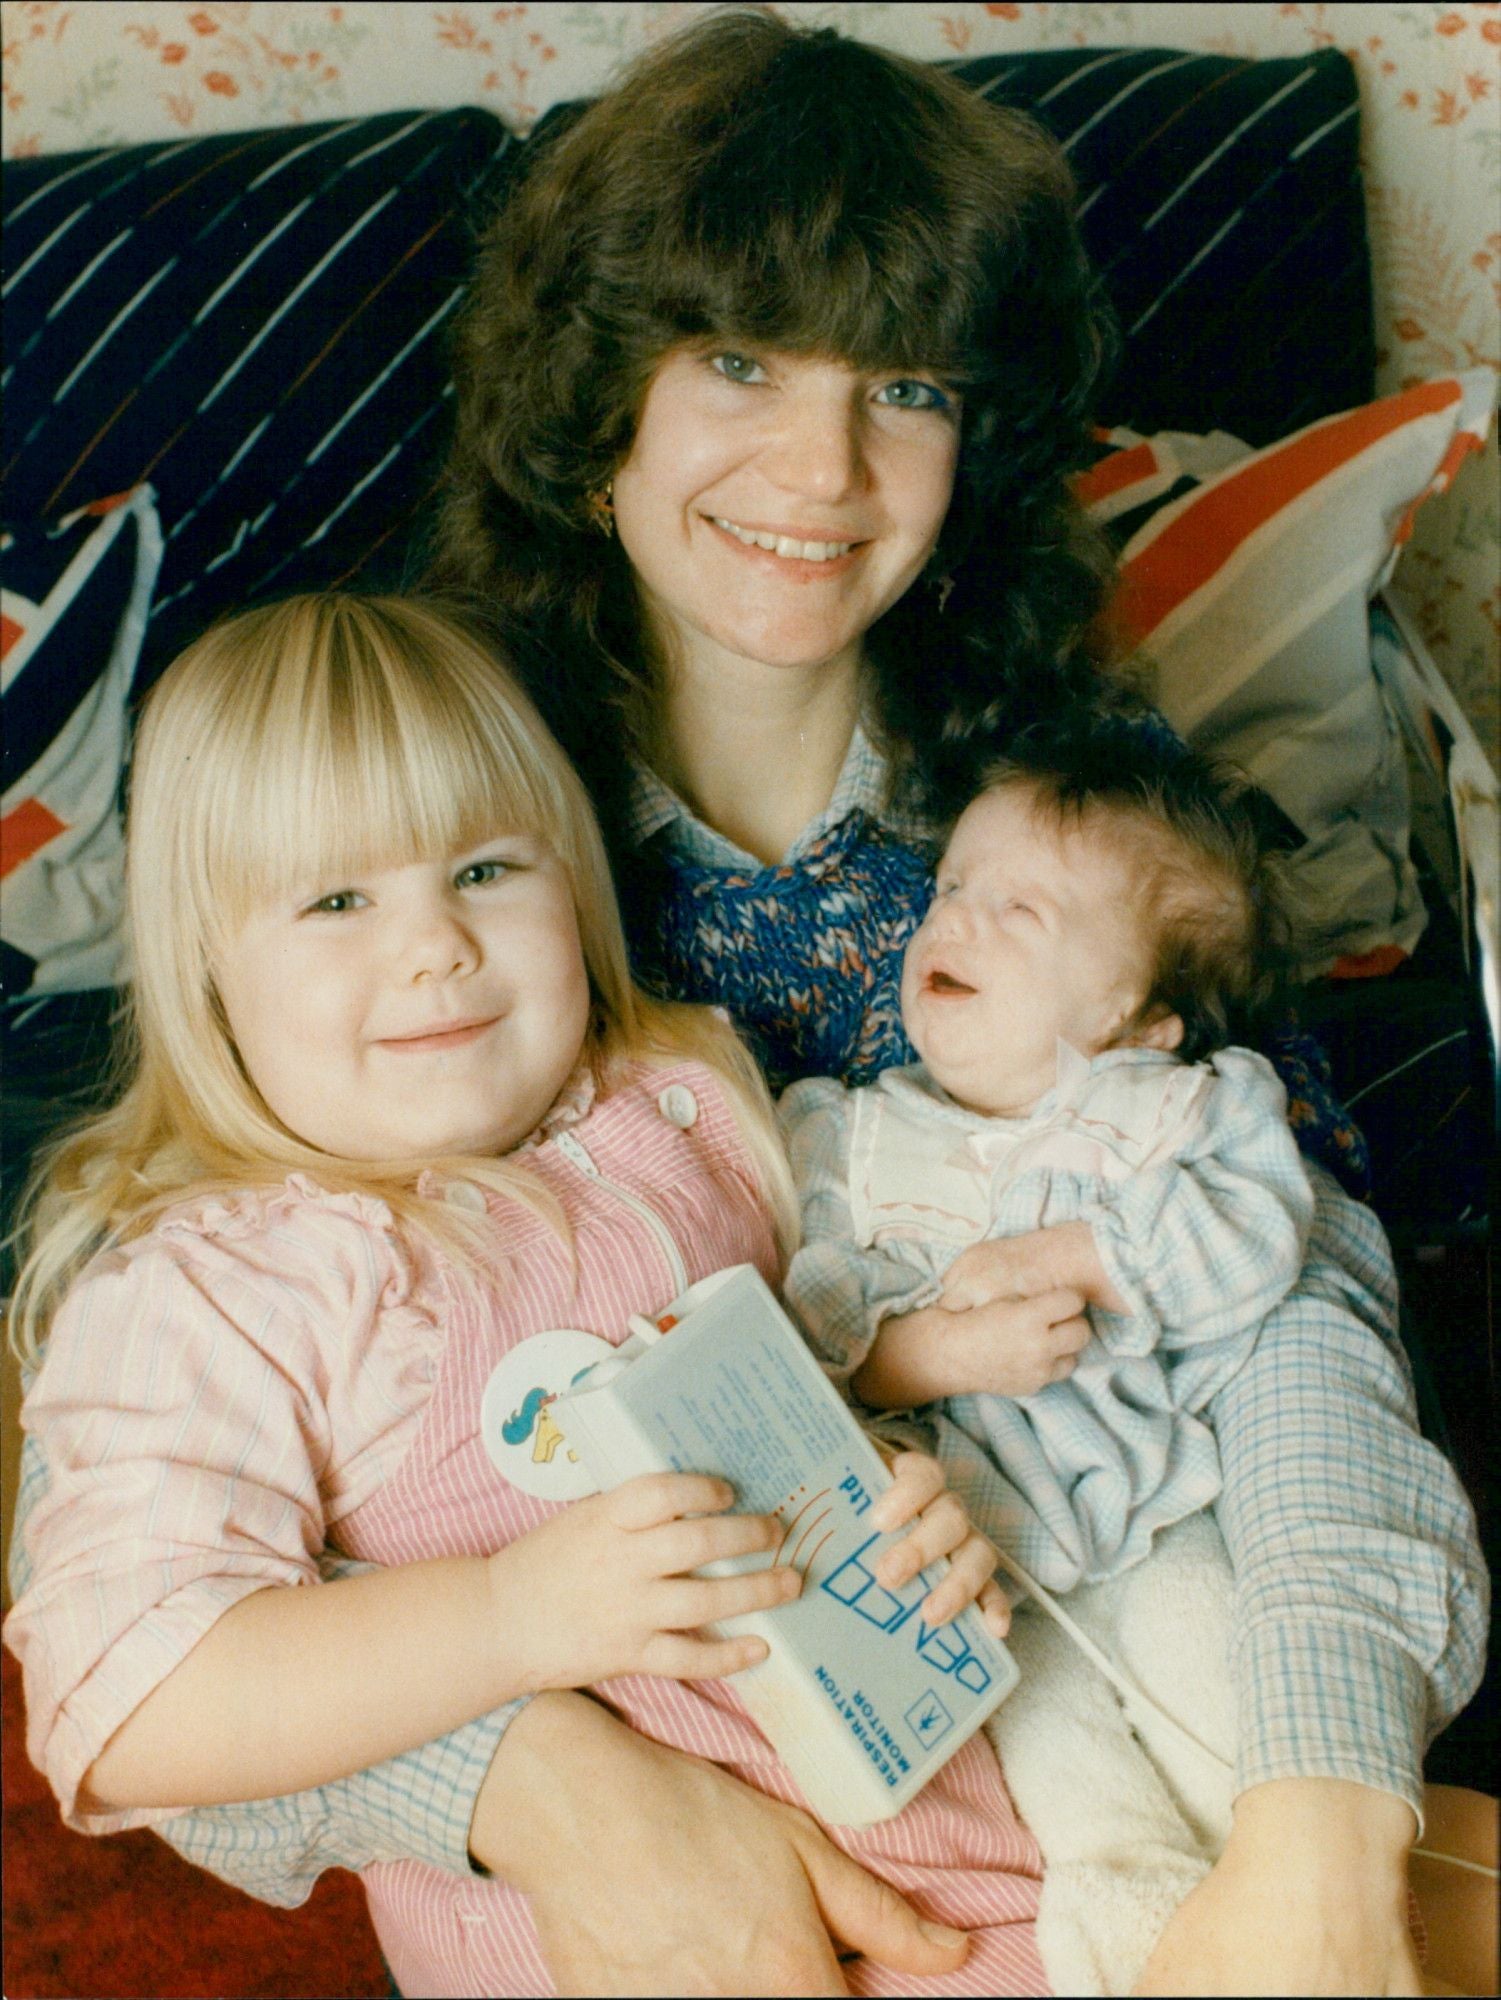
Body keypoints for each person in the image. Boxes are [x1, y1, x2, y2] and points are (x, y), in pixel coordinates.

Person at [8, 13, 1488, 1996]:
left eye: (902, 383)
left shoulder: (1062, 788)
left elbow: (1290, 1302)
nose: (820, 467)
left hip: (1080, 1651)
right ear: (594, 389)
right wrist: (525, 1777)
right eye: (733, 361)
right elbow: (192, 1551)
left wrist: (1320, 1825)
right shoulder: (433, 815)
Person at [4, 592, 1034, 2000]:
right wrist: (506, 1617)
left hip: (990, 1880)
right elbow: (127, 1692)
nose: (434, 945)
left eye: (486, 869)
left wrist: (916, 1505)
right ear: (203, 967)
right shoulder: (219, 1285)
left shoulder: (681, 1112)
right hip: (626, 1954)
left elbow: (832, 1396)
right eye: (337, 900)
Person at [780, 725, 1317, 1992]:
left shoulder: (1164, 1111)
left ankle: (1293, 1922)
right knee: (1059, 1770)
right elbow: (808, 1341)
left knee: (1226, 1706)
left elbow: (1257, 1240)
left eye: (1018, 908)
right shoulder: (851, 1140)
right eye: (953, 887)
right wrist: (930, 1349)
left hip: (1163, 1515)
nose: (953, 921)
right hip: (983, 1569)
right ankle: (1131, 1925)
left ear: (1136, 1017)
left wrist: (1079, 1252)